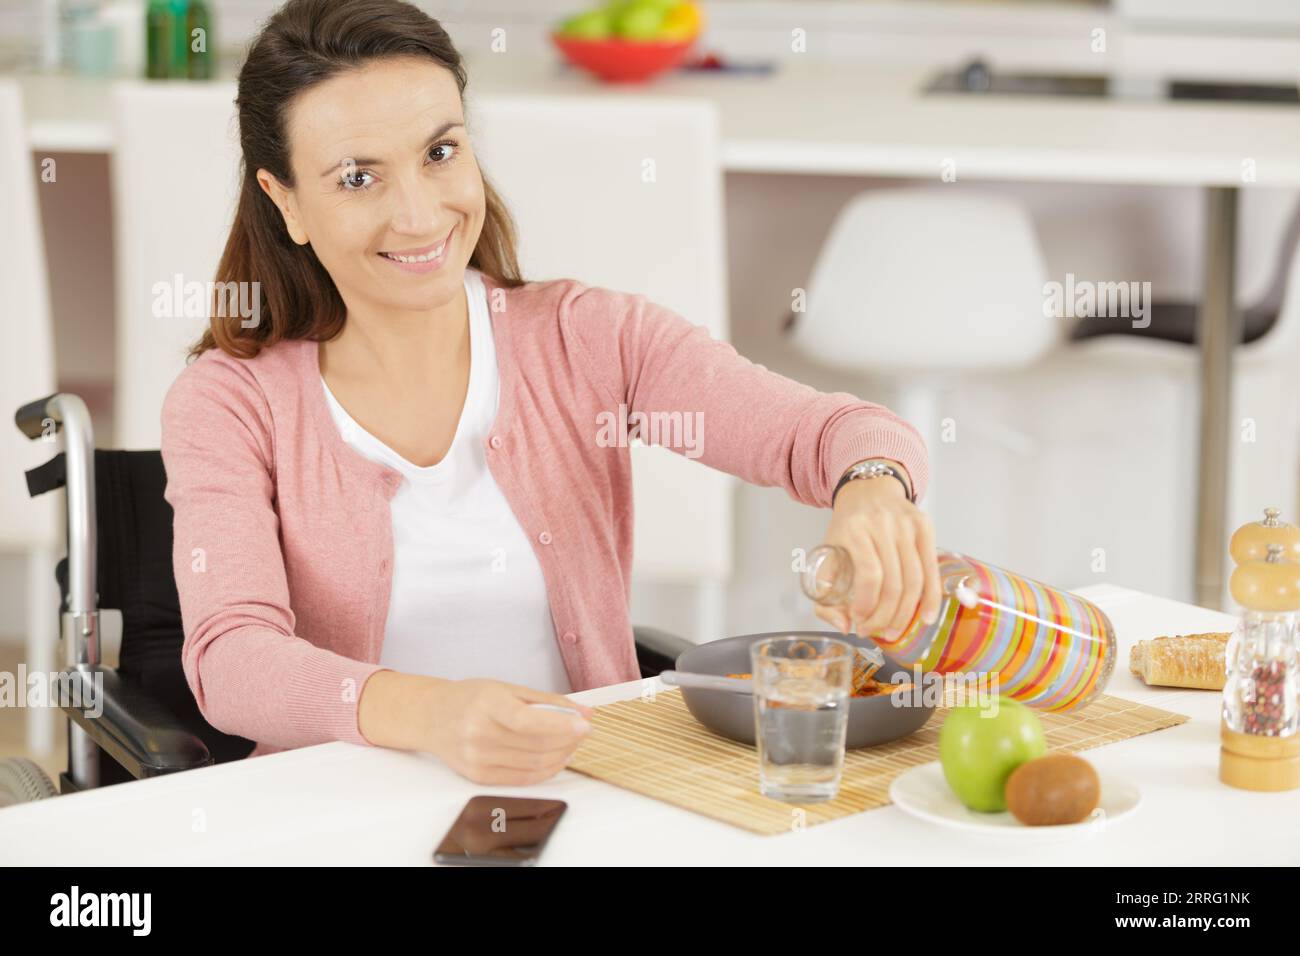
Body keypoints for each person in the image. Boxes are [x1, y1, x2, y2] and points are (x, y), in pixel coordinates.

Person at [161, 0, 940, 786]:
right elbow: (233, 661)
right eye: (358, 177)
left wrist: (871, 488)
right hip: (335, 810)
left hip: (587, 797)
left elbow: (833, 433)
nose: (420, 212)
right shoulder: (229, 403)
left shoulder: (585, 339)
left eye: (440, 152)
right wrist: (433, 714)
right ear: (285, 199)